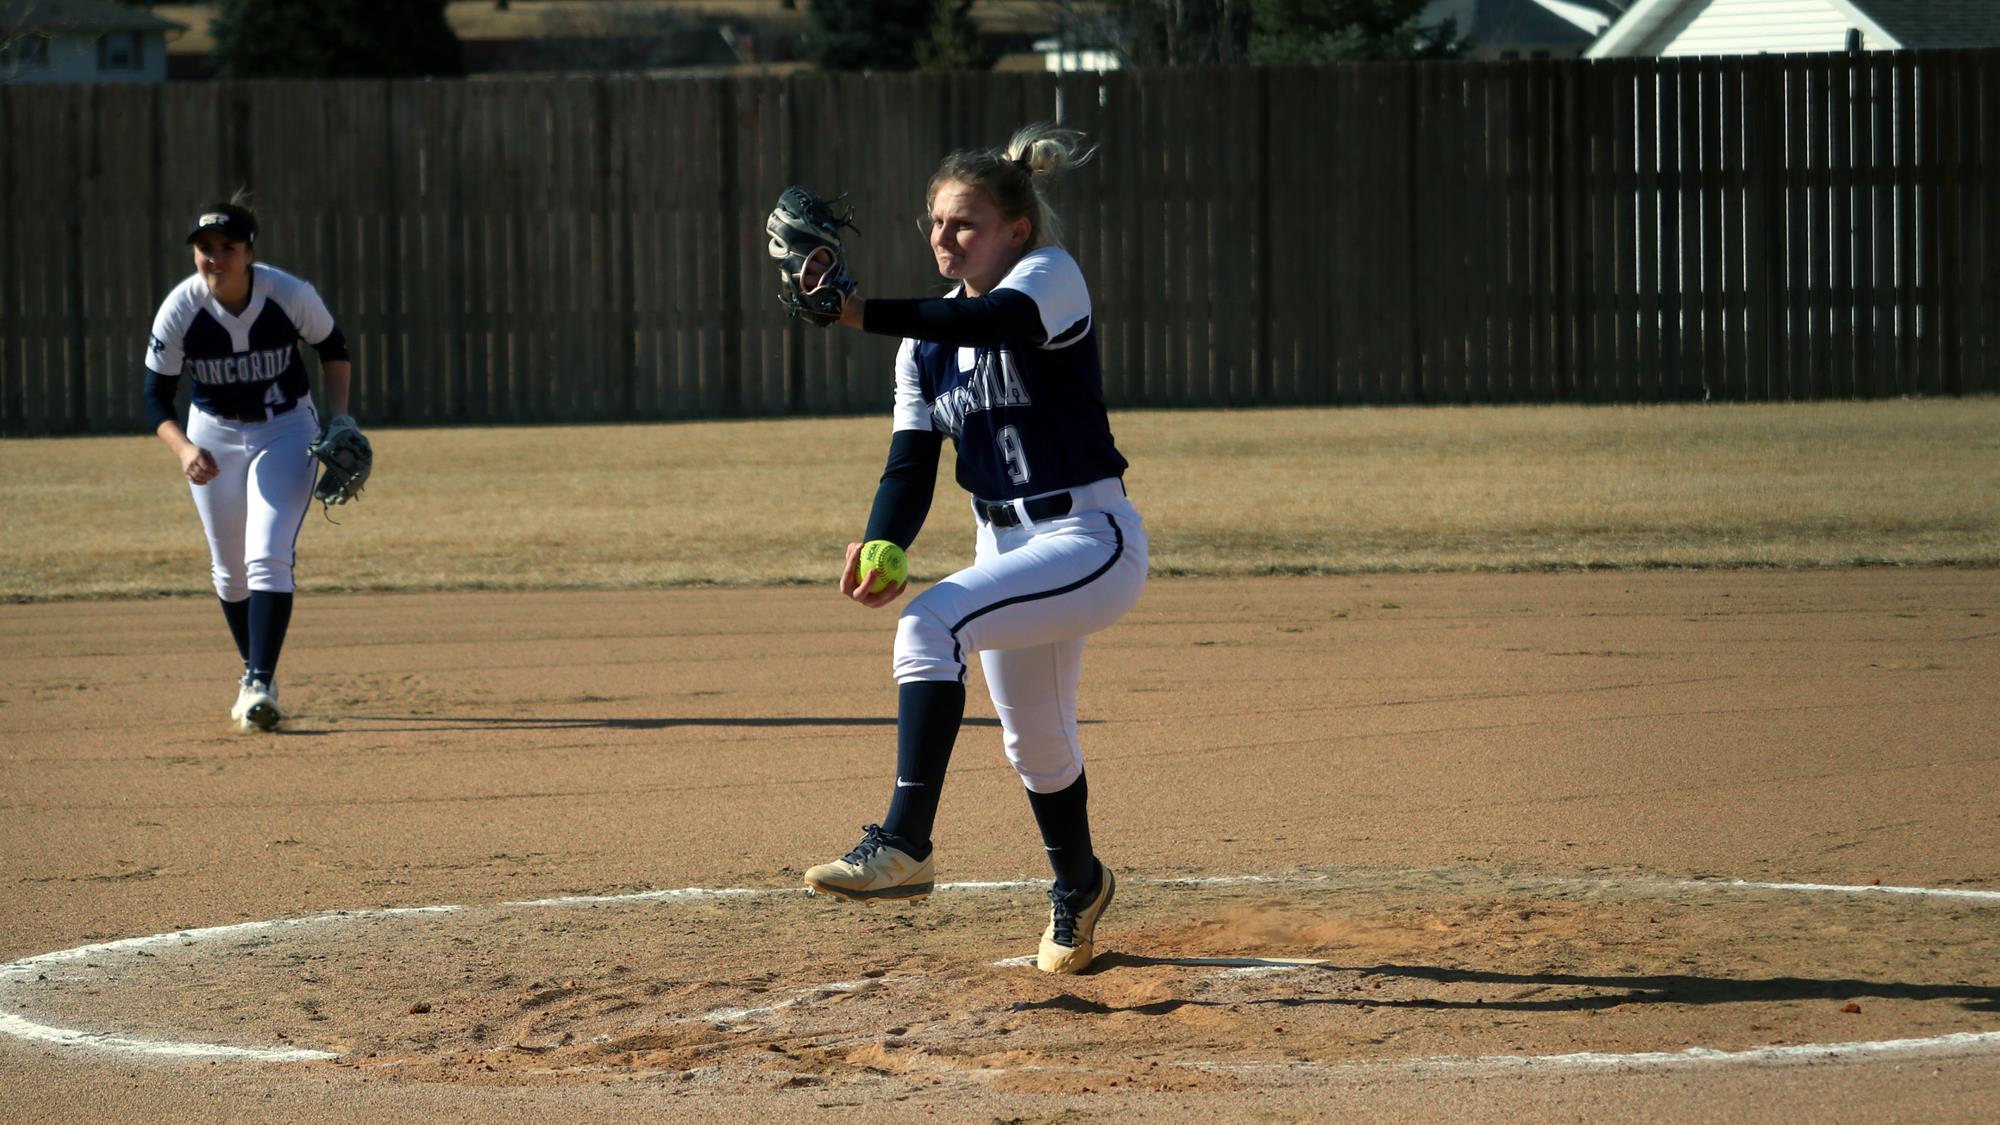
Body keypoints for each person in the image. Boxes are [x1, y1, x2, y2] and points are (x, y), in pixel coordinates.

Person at [800, 124, 1149, 975]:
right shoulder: (922, 346)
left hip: (1088, 538)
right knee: (1037, 743)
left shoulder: (1049, 277)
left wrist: (856, 310)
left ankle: (905, 843)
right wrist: (883, 540)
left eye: (965, 222)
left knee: (932, 624)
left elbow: (996, 322)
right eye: (935, 221)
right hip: (1006, 546)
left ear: (1015, 230)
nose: (943, 237)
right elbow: (911, 463)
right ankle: (1082, 885)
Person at [143, 195, 356, 732]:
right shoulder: (181, 308)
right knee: (229, 569)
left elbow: (334, 347)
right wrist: (184, 449)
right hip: (212, 433)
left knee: (268, 554)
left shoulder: (289, 294)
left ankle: (259, 681)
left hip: (286, 428)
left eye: (227, 248)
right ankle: (253, 672)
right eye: (205, 248)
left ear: (249, 252)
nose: (215, 258)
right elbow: (154, 398)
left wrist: (340, 418)